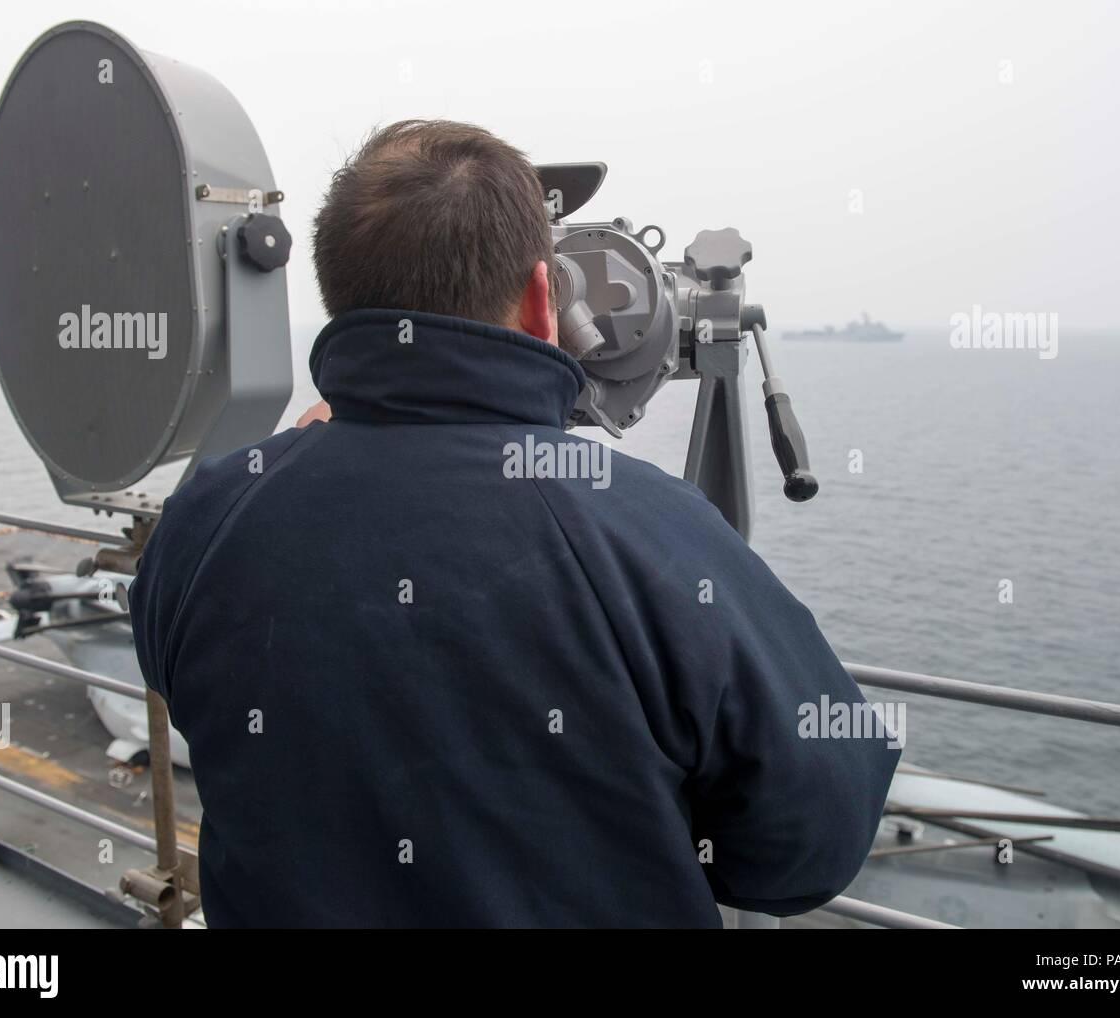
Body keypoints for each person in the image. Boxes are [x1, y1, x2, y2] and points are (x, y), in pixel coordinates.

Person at [129, 119, 898, 927]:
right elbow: (811, 845)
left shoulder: (209, 516)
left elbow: (185, 678)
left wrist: (294, 455)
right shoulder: (652, 536)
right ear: (543, 299)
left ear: (339, 290)